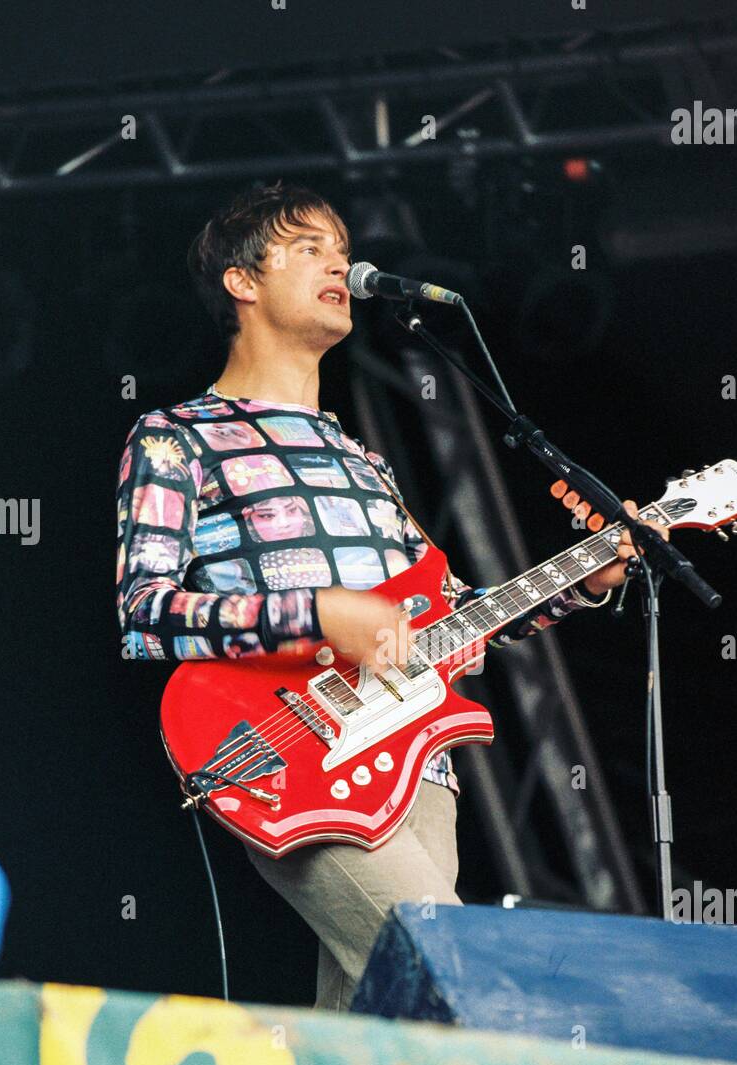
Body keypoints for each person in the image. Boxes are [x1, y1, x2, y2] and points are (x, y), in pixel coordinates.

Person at [116, 180, 667, 1011]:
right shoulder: (178, 435)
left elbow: (452, 612)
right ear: (242, 281)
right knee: (454, 981)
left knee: (379, 1033)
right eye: (309, 249)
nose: (339, 265)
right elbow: (145, 615)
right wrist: (318, 617)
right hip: (287, 750)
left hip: (418, 763)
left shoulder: (361, 461)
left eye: (342, 252)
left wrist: (583, 581)